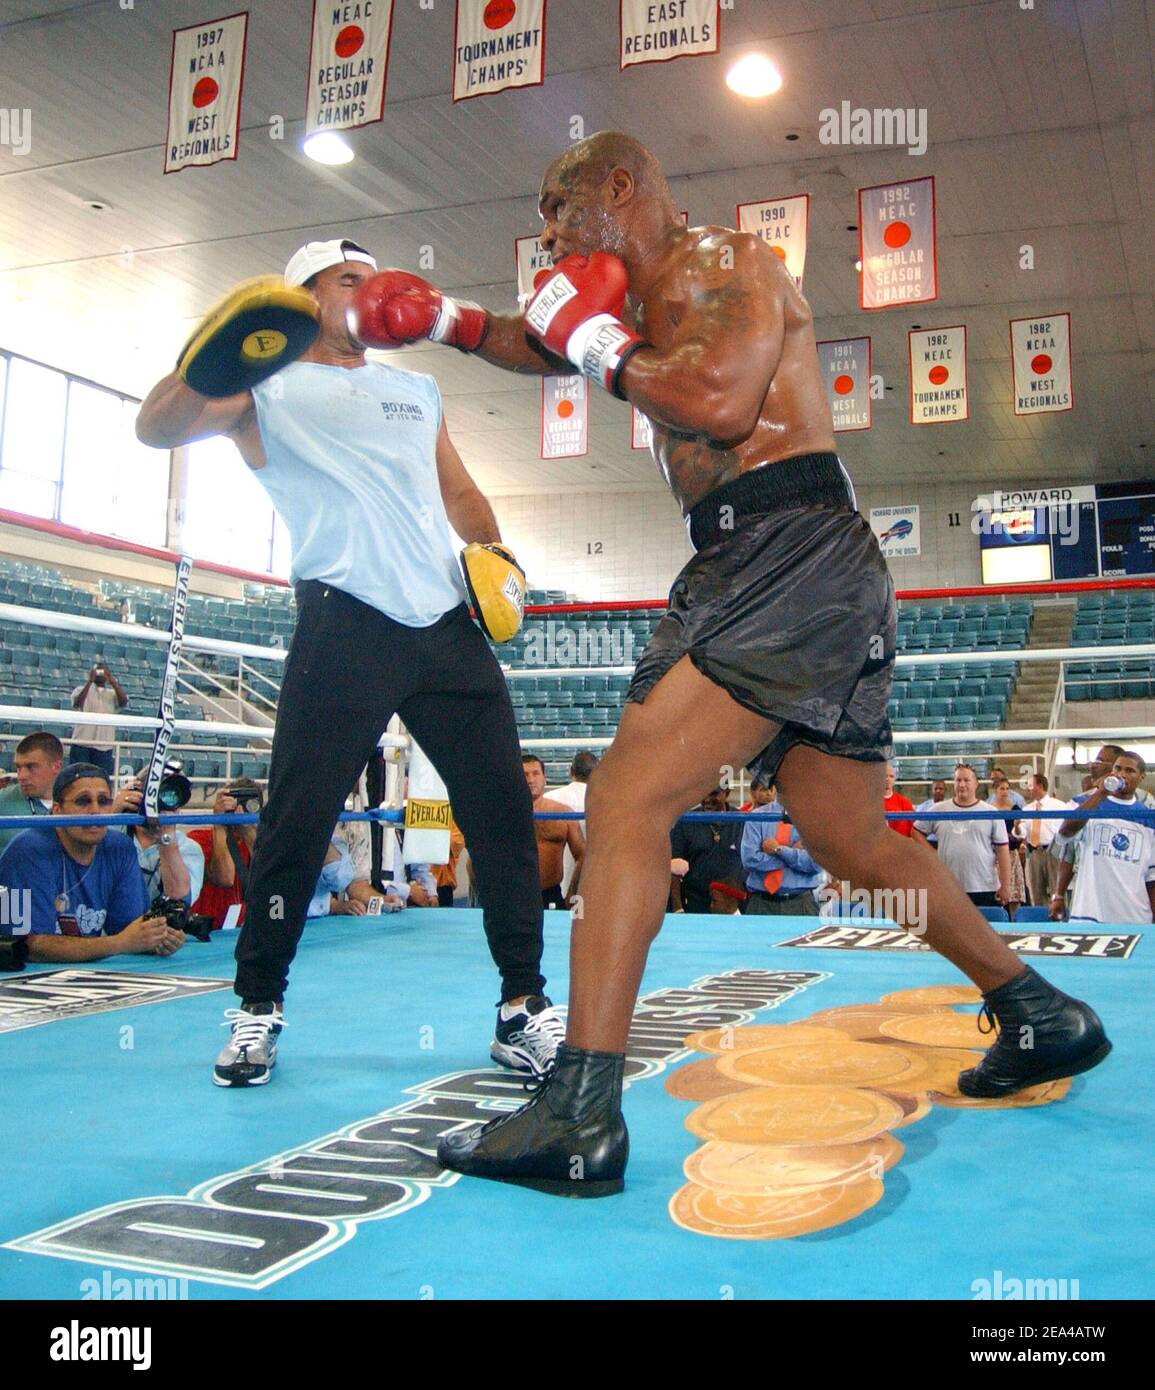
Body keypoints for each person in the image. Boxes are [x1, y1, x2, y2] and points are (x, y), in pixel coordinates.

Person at [354, 131, 1110, 1195]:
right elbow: (544, 338)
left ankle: (579, 1111)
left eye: (560, 207)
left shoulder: (724, 264)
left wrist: (595, 343)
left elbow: (714, 399)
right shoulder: (639, 302)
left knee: (625, 801)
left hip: (781, 550)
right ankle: (1037, 1009)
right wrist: (446, 321)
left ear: (620, 187)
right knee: (848, 839)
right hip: (788, 563)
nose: (549, 233)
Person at [136, 238, 563, 1087]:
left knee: (502, 817)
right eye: (349, 281)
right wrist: (215, 355)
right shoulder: (264, 389)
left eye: (377, 280)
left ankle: (523, 1007)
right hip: (344, 621)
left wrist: (497, 556)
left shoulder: (415, 388)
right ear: (303, 299)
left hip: (446, 622)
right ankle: (257, 1008)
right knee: (296, 824)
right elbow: (157, 428)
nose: (372, 293)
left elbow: (458, 492)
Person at [0, 764, 183, 962]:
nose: (95, 810)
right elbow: (25, 946)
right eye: (83, 801)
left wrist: (156, 937)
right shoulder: (25, 851)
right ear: (57, 810)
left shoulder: (119, 847)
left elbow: (130, 929)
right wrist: (119, 943)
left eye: (103, 801)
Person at [1051, 751, 1155, 924]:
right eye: (1118, 768)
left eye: (1129, 770)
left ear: (1141, 777)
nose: (1121, 774)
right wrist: (1100, 794)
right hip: (1089, 916)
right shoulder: (1084, 803)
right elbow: (1064, 834)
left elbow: (1151, 878)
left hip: (1134, 917)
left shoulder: (1148, 819)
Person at [912, 765, 1012, 909]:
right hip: (948, 886)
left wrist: (1006, 886)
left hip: (984, 886)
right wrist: (932, 852)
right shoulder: (939, 810)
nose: (962, 784)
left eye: (966, 780)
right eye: (958, 780)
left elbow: (1002, 851)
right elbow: (916, 831)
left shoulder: (991, 812)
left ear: (976, 784)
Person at [115, 777, 204, 906]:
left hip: (161, 918)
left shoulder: (188, 848)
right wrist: (111, 813)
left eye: (172, 797)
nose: (163, 804)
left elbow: (178, 898)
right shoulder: (113, 833)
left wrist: (166, 838)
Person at [740, 795, 822, 915]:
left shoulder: (814, 817)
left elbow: (815, 864)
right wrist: (791, 854)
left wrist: (780, 850)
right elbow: (750, 861)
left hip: (802, 904)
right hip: (761, 903)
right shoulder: (757, 816)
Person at [522, 754, 585, 908]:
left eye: (536, 774)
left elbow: (582, 855)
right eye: (525, 775)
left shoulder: (563, 813)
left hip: (550, 894)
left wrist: (572, 894)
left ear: (544, 778)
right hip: (513, 894)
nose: (531, 780)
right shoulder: (503, 816)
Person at [669, 786, 742, 915]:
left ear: (727, 793)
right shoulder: (686, 820)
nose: (707, 799)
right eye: (703, 793)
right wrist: (678, 909)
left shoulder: (742, 821)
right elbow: (673, 868)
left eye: (713, 794)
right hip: (693, 903)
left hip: (731, 905)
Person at [0, 732, 63, 855]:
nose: (22, 776)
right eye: (18, 767)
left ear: (56, 767)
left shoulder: (79, 804)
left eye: (31, 767)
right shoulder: (2, 801)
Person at [548, 751, 599, 898]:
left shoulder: (550, 799)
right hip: (594, 882)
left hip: (556, 884)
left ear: (571, 772)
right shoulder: (607, 802)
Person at [1018, 772, 1068, 906]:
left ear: (1039, 786)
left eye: (1031, 786)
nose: (1028, 789)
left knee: (1056, 891)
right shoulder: (1027, 809)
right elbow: (1021, 831)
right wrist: (1017, 828)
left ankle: (1059, 917)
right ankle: (1040, 918)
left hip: (1054, 851)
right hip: (1034, 852)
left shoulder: (1059, 806)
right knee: (1036, 893)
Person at [70, 662, 128, 776]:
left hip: (104, 746)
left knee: (102, 778)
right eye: (98, 671)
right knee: (78, 777)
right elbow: (77, 703)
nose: (100, 674)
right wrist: (90, 681)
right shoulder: (80, 690)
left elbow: (123, 702)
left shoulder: (112, 694)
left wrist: (113, 681)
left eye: (103, 671)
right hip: (82, 743)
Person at [882, 763, 915, 838]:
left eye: (891, 776)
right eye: (885, 776)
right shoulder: (870, 802)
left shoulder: (905, 803)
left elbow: (911, 833)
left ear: (894, 780)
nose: (887, 779)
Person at [914, 780, 948, 849]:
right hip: (928, 842)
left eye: (941, 789)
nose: (938, 791)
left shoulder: (949, 806)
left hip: (945, 842)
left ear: (945, 790)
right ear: (932, 790)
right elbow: (916, 825)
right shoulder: (924, 806)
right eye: (935, 789)